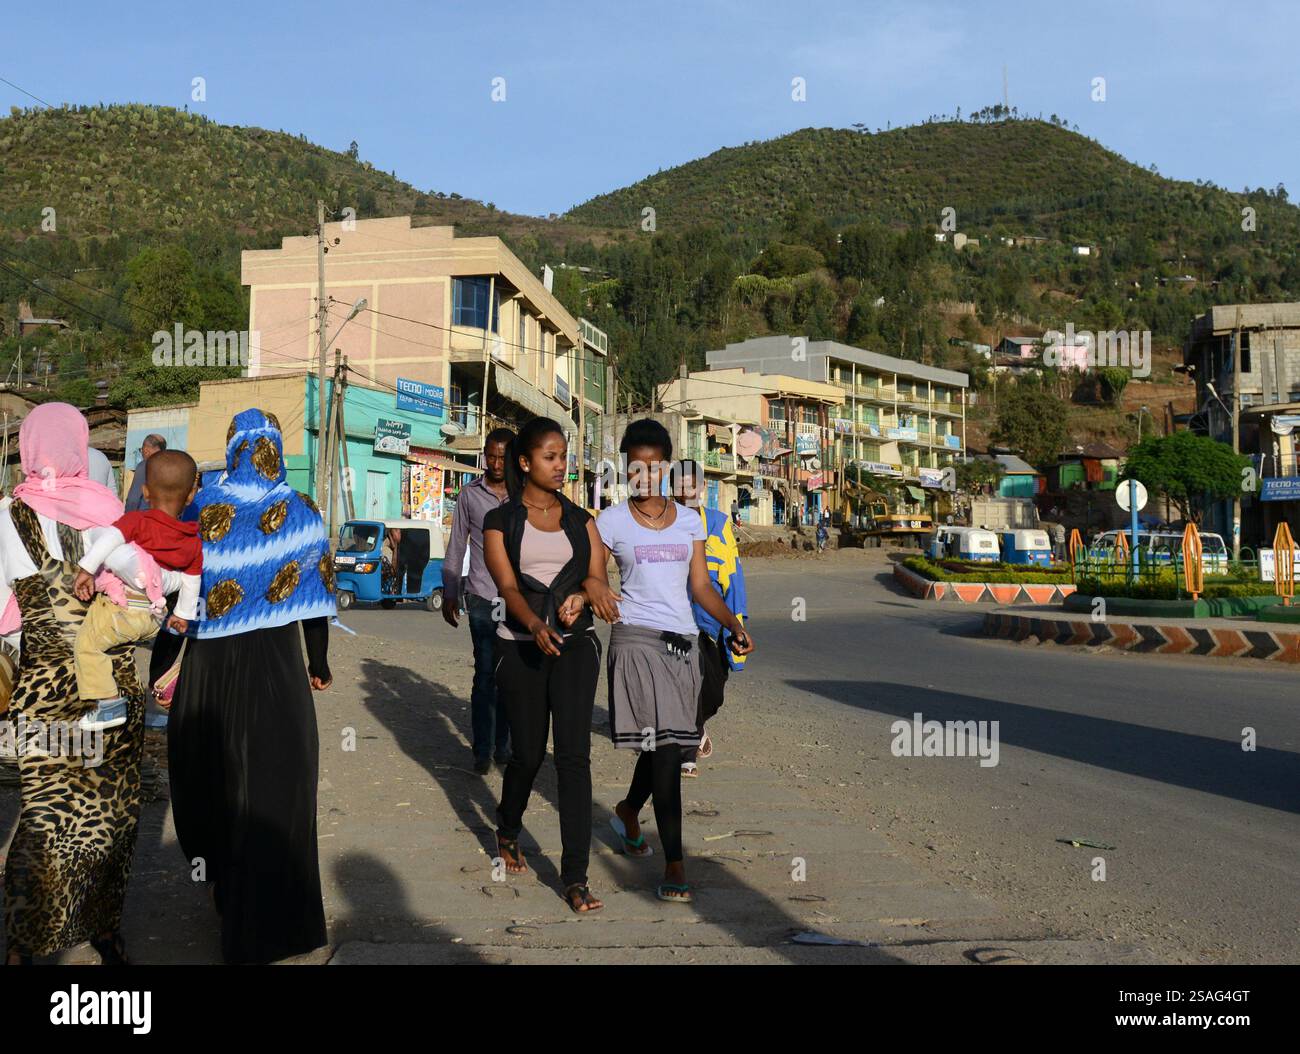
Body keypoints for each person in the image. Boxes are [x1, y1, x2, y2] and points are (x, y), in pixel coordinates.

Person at [167, 408, 337, 964]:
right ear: (275, 448)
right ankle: (280, 922)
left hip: (210, 666)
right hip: (277, 667)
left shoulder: (201, 508)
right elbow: (315, 600)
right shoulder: (302, 512)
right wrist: (319, 663)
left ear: (233, 446)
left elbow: (179, 596)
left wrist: (164, 671)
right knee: (277, 787)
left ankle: (223, 891)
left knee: (213, 779)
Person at [0, 403, 142, 965]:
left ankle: (21, 943)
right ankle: (104, 933)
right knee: (109, 816)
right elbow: (141, 593)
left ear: (31, 448)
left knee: (43, 816)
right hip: (108, 684)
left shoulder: (6, 516)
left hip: (40, 687)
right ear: (79, 446)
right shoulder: (109, 511)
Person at [592, 419, 753, 905]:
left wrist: (734, 624)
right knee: (666, 750)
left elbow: (701, 587)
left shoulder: (690, 522)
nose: (644, 475)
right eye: (634, 467)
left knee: (667, 742)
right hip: (635, 639)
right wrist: (595, 589)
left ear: (666, 467)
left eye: (653, 466)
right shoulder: (610, 522)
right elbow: (592, 575)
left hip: (683, 642)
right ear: (625, 469)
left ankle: (626, 810)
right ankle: (675, 862)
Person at [482, 418, 615, 914]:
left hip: (576, 647)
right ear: (525, 462)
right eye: (550, 457)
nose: (560, 466)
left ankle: (575, 878)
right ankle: (508, 825)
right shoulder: (500, 521)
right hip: (520, 645)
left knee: (574, 758)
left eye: (563, 457)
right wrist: (535, 627)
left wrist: (587, 594)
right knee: (529, 754)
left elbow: (596, 576)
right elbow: (509, 589)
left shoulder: (583, 521)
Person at [71, 450, 202, 732]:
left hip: (122, 612)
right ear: (190, 496)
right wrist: (183, 616)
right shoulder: (192, 541)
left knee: (87, 646)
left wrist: (85, 569)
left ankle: (108, 704)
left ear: (144, 491)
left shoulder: (137, 522)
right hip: (154, 619)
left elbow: (107, 542)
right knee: (138, 644)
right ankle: (171, 679)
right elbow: (192, 580)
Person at [442, 427, 514, 775]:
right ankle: (482, 750)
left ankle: (505, 745)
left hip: (518, 601)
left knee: (510, 677)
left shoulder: (524, 495)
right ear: (484, 455)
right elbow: (457, 546)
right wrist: (451, 591)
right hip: (483, 595)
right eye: (492, 455)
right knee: (485, 673)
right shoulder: (469, 496)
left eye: (503, 456)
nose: (497, 463)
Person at [670, 460, 748, 779]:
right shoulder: (664, 525)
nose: (687, 492)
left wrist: (736, 624)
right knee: (686, 686)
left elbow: (732, 577)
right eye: (680, 486)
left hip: (713, 625)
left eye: (692, 485)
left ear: (702, 489)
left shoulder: (718, 524)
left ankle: (697, 726)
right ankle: (687, 754)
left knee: (713, 694)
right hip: (677, 623)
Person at [124, 434, 167, 512]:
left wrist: (127, 517)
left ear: (146, 450)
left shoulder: (145, 465)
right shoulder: (171, 466)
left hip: (145, 517)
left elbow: (133, 499)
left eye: (141, 450)